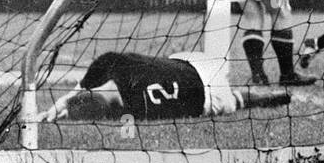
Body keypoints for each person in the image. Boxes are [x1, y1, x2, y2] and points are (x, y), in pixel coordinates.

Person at [36, 50, 291, 123]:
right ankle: (261, 96)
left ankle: (253, 98)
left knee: (236, 101)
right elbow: (101, 66)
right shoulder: (115, 64)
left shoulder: (133, 112)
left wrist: (66, 107)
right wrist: (66, 100)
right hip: (197, 63)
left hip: (207, 100)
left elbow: (114, 116)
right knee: (167, 62)